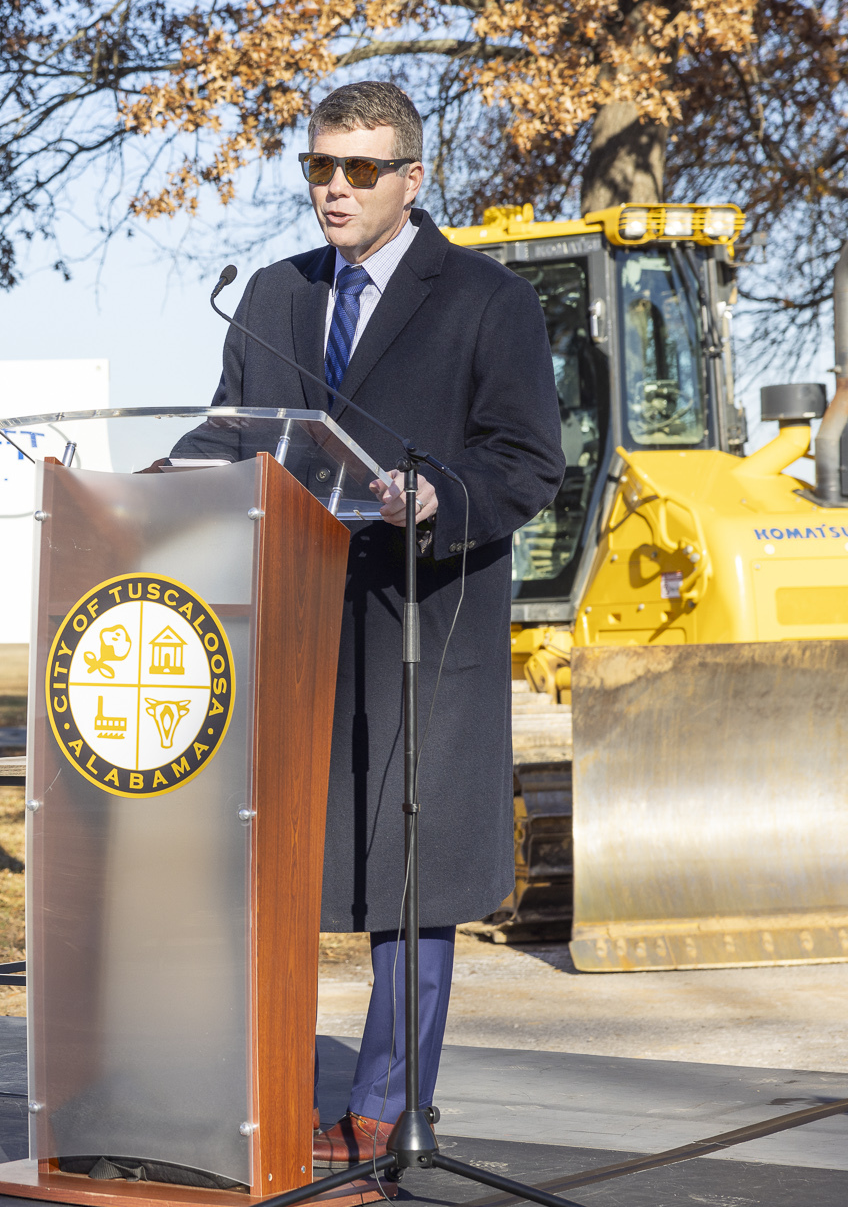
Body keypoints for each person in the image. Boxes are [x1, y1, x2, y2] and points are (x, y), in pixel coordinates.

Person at [161, 81, 564, 1163]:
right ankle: (270, 1096)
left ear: (410, 178)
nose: (332, 190)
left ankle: (385, 1107)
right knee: (270, 866)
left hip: (421, 629)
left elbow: (527, 461)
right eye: (317, 168)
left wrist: (435, 495)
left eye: (358, 170)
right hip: (288, 629)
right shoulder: (269, 295)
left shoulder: (484, 299)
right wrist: (150, 486)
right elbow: (229, 435)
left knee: (408, 878)